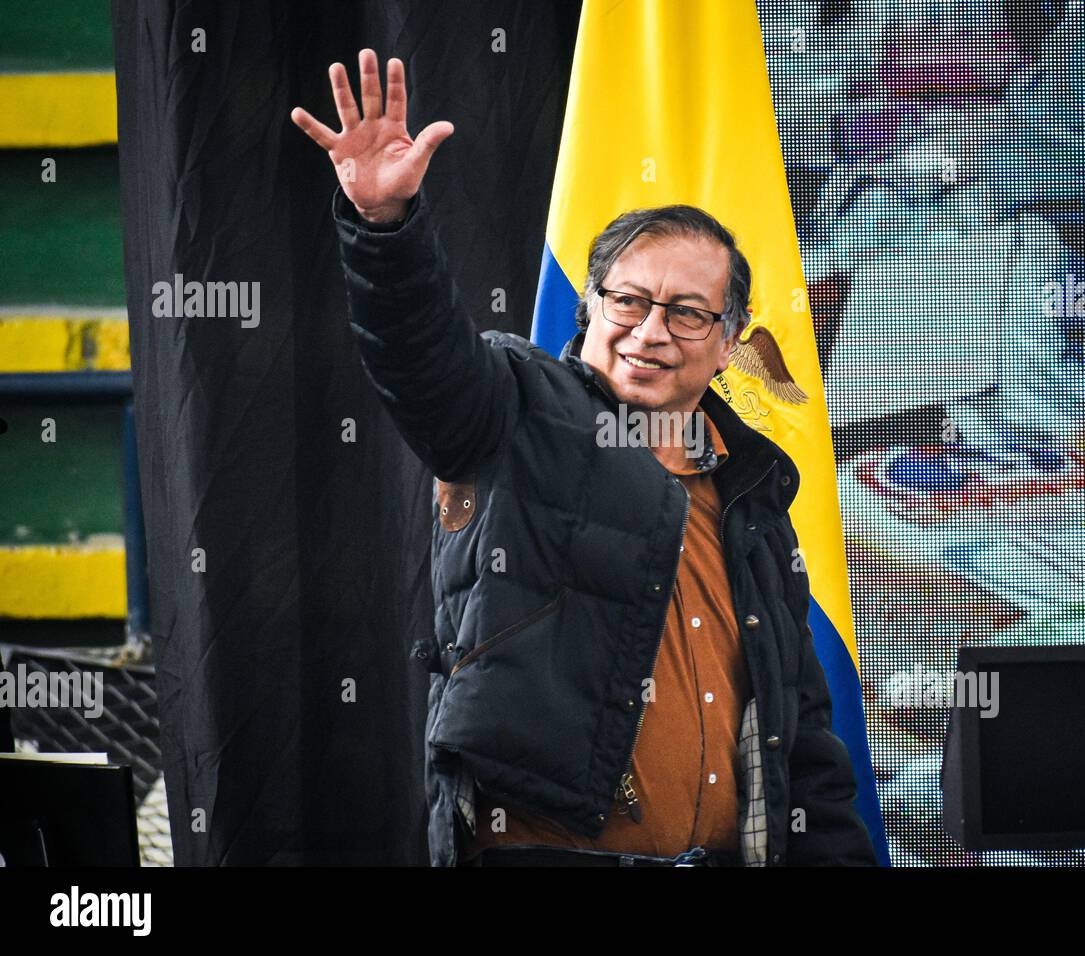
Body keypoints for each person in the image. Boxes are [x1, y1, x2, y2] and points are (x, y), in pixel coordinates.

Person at [291, 49, 877, 867]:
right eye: (629, 301)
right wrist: (386, 229)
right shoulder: (518, 409)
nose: (647, 331)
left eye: (686, 313)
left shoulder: (754, 499)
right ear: (589, 308)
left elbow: (804, 746)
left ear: (729, 346)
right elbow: (422, 361)